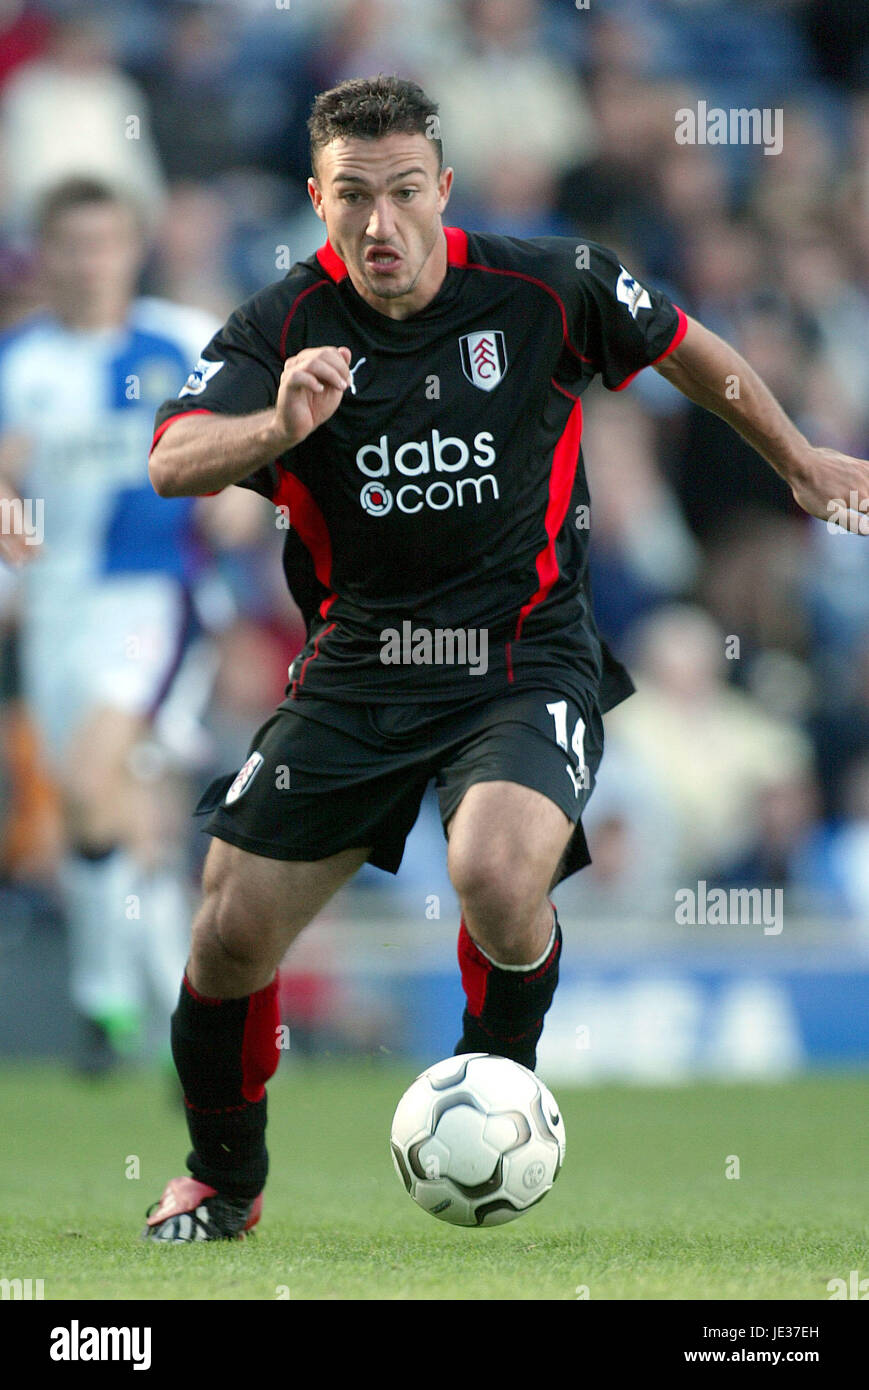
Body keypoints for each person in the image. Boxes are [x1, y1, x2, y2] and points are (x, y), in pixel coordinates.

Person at [143, 75, 869, 1241]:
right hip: (358, 669)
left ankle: (494, 1081)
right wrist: (276, 427)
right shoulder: (280, 325)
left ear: (444, 188)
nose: (380, 222)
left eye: (403, 191)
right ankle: (223, 1182)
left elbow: (683, 345)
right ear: (316, 200)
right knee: (227, 932)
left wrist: (797, 459)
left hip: (524, 655)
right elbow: (171, 459)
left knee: (491, 867)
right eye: (351, 196)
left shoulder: (548, 284)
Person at [0, 177, 219, 1072]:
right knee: (112, 815)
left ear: (134, 250)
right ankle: (160, 1017)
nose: (90, 263)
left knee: (96, 781)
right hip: (54, 610)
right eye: (72, 246)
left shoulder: (184, 342)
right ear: (46, 257)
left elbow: (252, 440)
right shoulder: (21, 363)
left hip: (154, 599)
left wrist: (244, 502)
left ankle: (115, 1001)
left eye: (106, 244)